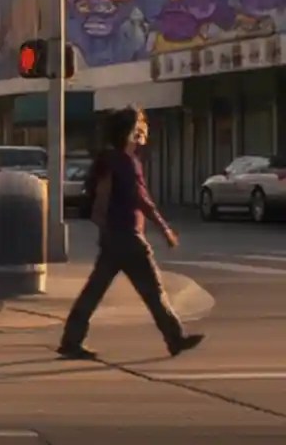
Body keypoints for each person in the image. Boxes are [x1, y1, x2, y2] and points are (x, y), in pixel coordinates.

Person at [58, 106, 204, 360]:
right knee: (153, 290)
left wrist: (106, 229)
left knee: (95, 290)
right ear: (129, 132)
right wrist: (164, 228)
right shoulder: (122, 161)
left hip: (117, 236)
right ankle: (175, 338)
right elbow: (135, 199)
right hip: (127, 236)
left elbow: (119, 198)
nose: (144, 130)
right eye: (139, 126)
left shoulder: (118, 159)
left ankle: (71, 340)